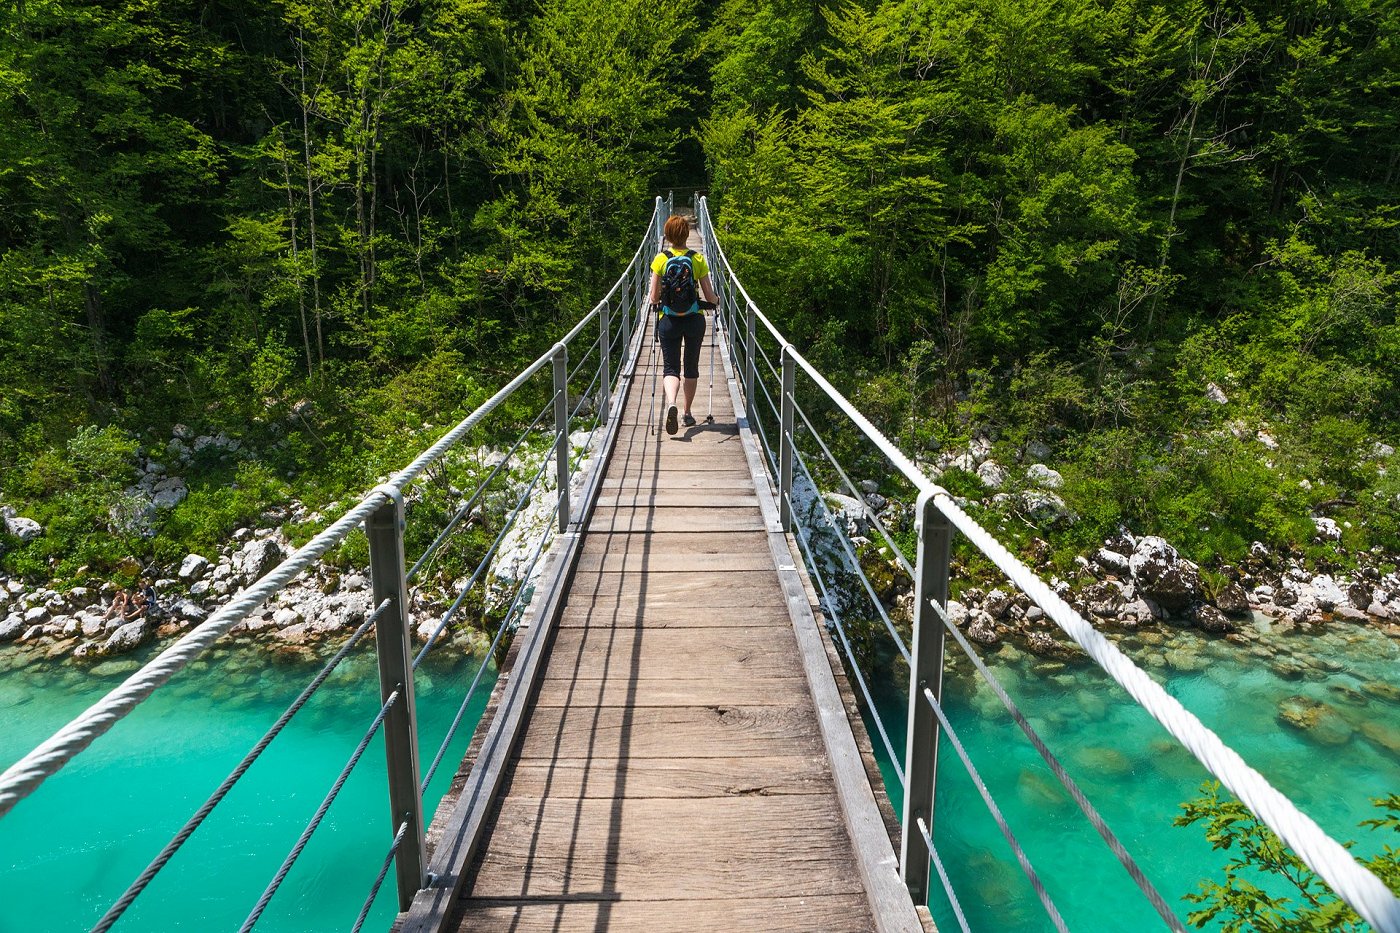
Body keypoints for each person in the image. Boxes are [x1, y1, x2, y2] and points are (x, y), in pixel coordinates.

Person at [649, 214, 719, 435]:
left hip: (669, 321)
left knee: (671, 368)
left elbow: (653, 297)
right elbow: (709, 295)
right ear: (687, 234)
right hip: (693, 320)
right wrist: (717, 301)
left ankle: (672, 402)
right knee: (691, 367)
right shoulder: (697, 259)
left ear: (667, 236)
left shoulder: (661, 259)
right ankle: (687, 413)